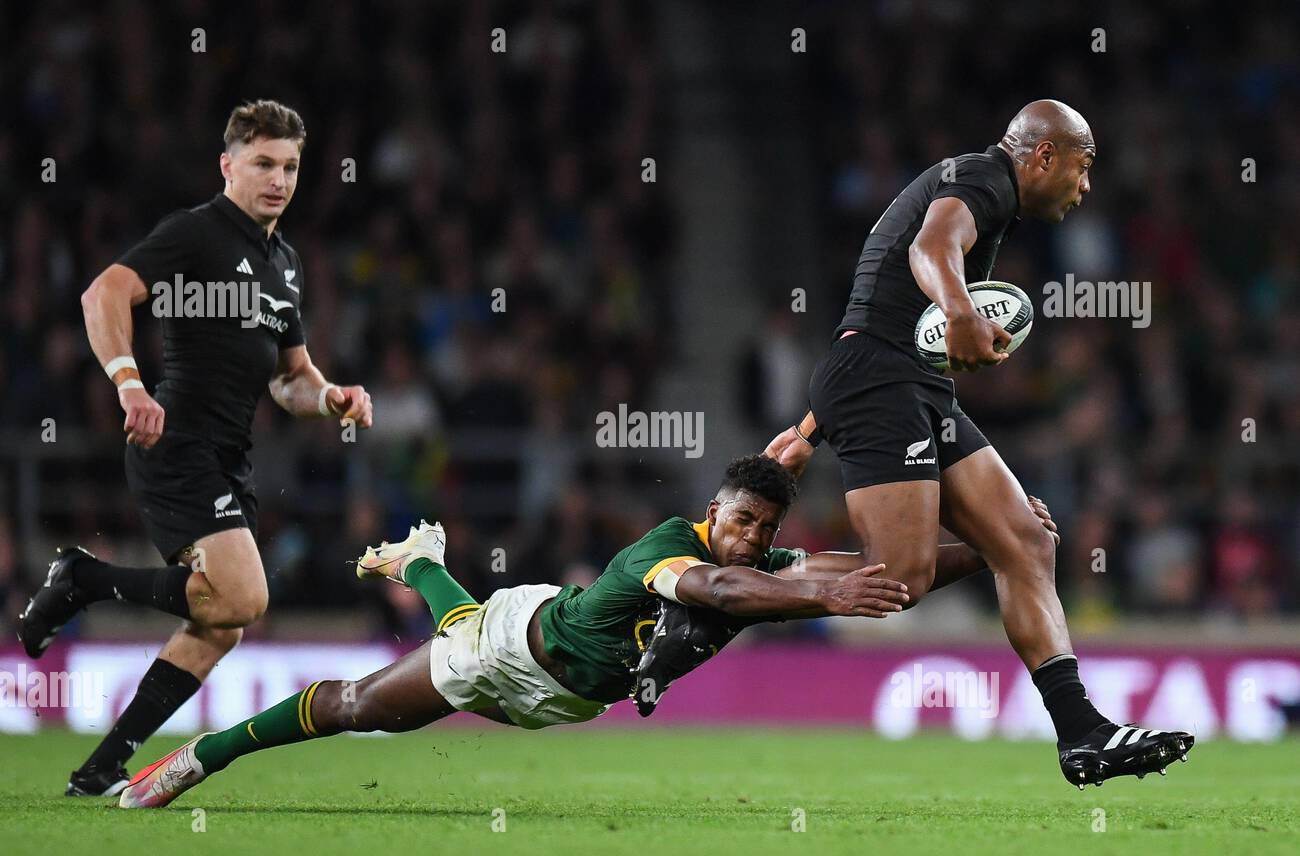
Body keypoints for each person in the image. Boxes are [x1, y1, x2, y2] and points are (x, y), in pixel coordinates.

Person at [116, 453, 1009, 809]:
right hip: (510, 648)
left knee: (783, 592)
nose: (757, 539)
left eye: (768, 531)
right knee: (359, 709)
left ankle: (424, 562)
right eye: (744, 521)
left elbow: (875, 570)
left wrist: (994, 547)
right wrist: (826, 599)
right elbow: (720, 589)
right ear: (713, 512)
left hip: (564, 699)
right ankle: (202, 756)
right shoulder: (670, 550)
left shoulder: (761, 560)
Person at [763, 100, 1192, 787]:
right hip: (883, 379)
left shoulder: (974, 185)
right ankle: (722, 596)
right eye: (1082, 170)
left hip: (902, 379)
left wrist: (813, 427)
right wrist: (960, 310)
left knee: (1026, 540)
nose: (1086, 189)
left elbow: (883, 300)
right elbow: (927, 250)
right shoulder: (986, 180)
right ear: (1043, 157)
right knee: (900, 576)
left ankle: (1084, 734)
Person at [16, 100, 373, 796]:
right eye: (263, 163)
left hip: (227, 456)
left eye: (290, 166)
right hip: (173, 440)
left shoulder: (286, 265)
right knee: (244, 596)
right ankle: (83, 580)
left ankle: (98, 768)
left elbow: (289, 379)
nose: (278, 179)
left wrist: (330, 396)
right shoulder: (197, 235)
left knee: (220, 625)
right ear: (228, 164)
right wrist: (128, 384)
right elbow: (103, 294)